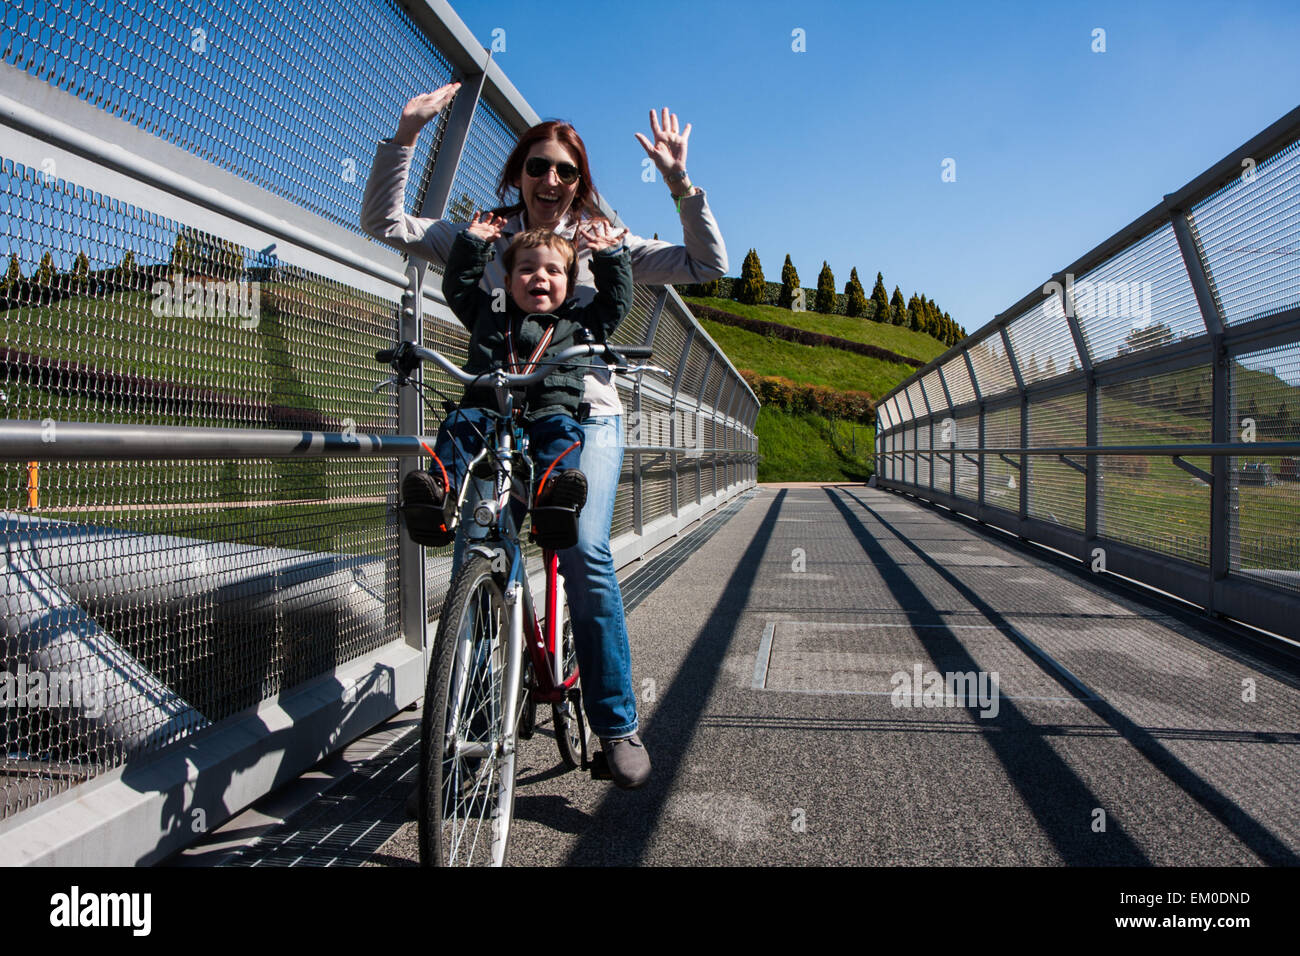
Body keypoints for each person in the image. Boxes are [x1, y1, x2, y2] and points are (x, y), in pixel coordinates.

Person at [361, 85, 727, 789]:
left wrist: (680, 183)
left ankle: (616, 724)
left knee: (584, 548)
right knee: (479, 549)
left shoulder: (599, 240)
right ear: (517, 174)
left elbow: (706, 263)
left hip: (581, 412)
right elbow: (387, 222)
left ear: (580, 181)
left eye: (565, 170)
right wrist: (404, 136)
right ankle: (468, 726)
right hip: (500, 410)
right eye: (537, 168)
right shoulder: (487, 234)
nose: (551, 181)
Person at [406, 216, 632, 548]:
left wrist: (611, 257)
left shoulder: (578, 323)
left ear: (569, 286)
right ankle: (440, 493)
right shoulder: (490, 312)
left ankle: (554, 499)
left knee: (565, 435)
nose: (540, 276)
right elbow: (457, 287)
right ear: (509, 282)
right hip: (487, 410)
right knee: (458, 423)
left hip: (551, 412)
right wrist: (473, 244)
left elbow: (615, 303)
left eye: (553, 271)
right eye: (528, 270)